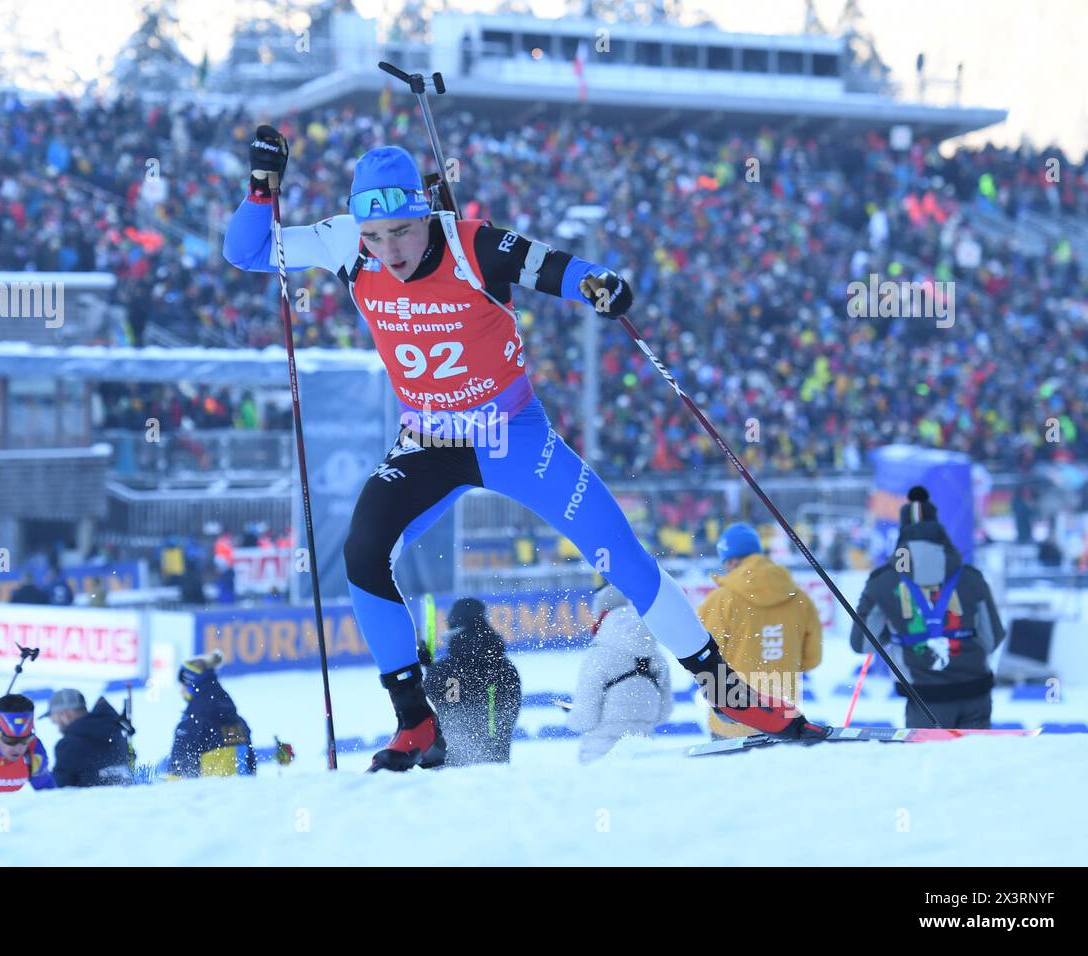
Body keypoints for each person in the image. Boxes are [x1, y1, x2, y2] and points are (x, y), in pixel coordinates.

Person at [224, 129, 822, 771]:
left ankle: (726, 691)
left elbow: (552, 267)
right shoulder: (348, 242)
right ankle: (414, 721)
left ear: (425, 213)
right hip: (426, 442)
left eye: (402, 231)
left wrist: (598, 284)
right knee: (363, 552)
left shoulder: (470, 243)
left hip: (511, 436)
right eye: (377, 237)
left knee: (618, 552)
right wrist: (261, 189)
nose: (390, 250)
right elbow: (248, 250)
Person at [851, 486, 1006, 728]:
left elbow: (861, 644)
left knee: (928, 764)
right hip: (975, 694)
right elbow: (992, 639)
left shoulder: (883, 582)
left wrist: (893, 628)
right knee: (976, 765)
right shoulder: (971, 578)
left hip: (924, 699)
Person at [696, 523, 824, 740]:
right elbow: (811, 659)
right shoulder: (800, 600)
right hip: (784, 721)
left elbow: (699, 659)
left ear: (731, 560)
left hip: (733, 722)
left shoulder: (721, 601)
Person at [566, 586, 673, 763]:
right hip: (643, 755)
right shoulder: (656, 655)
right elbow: (664, 713)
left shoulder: (598, 656)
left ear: (601, 615)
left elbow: (584, 719)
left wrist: (571, 714)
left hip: (600, 757)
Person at [422, 598, 521, 766]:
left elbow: (446, 711)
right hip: (499, 767)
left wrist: (428, 667)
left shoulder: (449, 670)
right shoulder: (505, 667)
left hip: (458, 771)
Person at [168, 651, 256, 778]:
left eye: (181, 686)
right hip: (243, 796)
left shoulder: (190, 726)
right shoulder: (239, 723)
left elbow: (178, 779)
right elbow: (251, 771)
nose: (180, 692)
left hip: (210, 796)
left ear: (190, 684)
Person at [43, 689, 132, 787]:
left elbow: (58, 789)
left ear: (66, 715)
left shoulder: (68, 747)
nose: (58, 728)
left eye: (56, 722)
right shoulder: (116, 732)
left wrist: (38, 774)